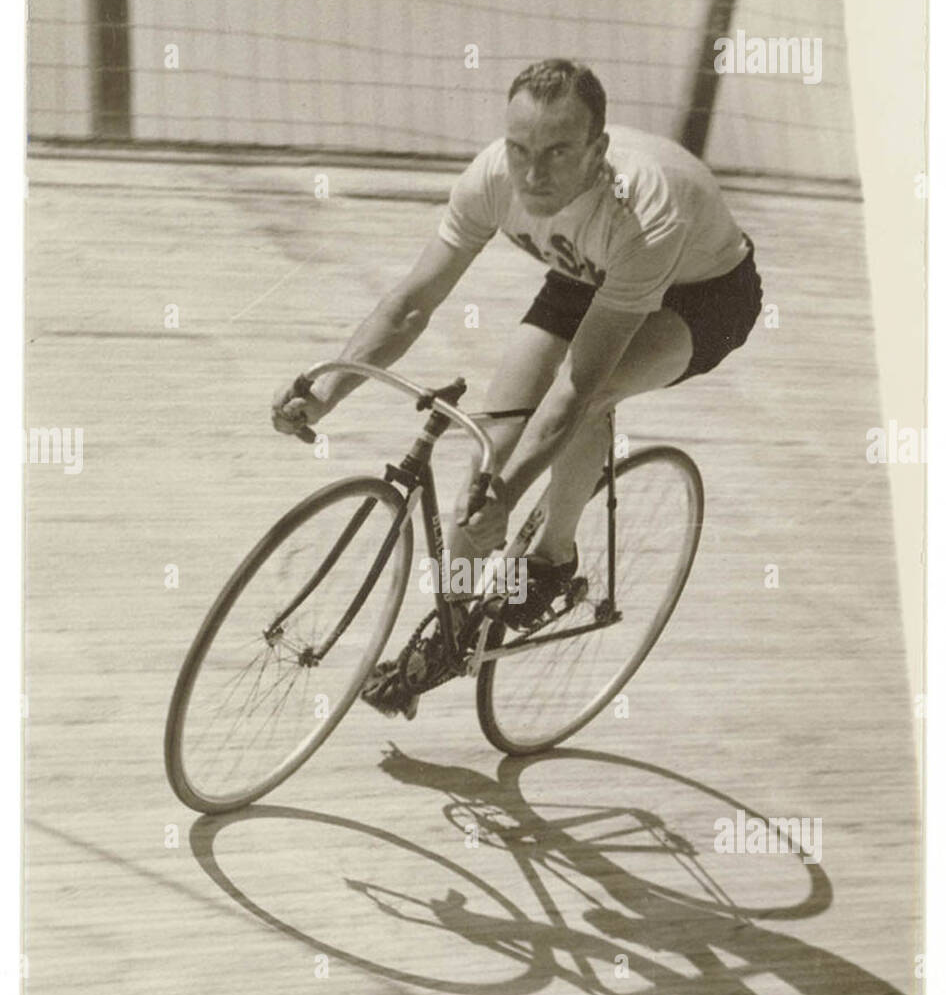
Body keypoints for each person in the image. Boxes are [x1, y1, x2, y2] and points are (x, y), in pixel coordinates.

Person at [272, 58, 763, 716]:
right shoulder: (492, 179)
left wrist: (510, 494)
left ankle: (554, 559)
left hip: (702, 295)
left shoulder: (645, 213)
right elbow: (413, 303)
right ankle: (448, 632)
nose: (534, 174)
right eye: (521, 149)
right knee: (484, 477)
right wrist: (328, 388)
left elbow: (574, 389)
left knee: (591, 397)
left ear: (598, 152)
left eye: (559, 152)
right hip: (589, 273)